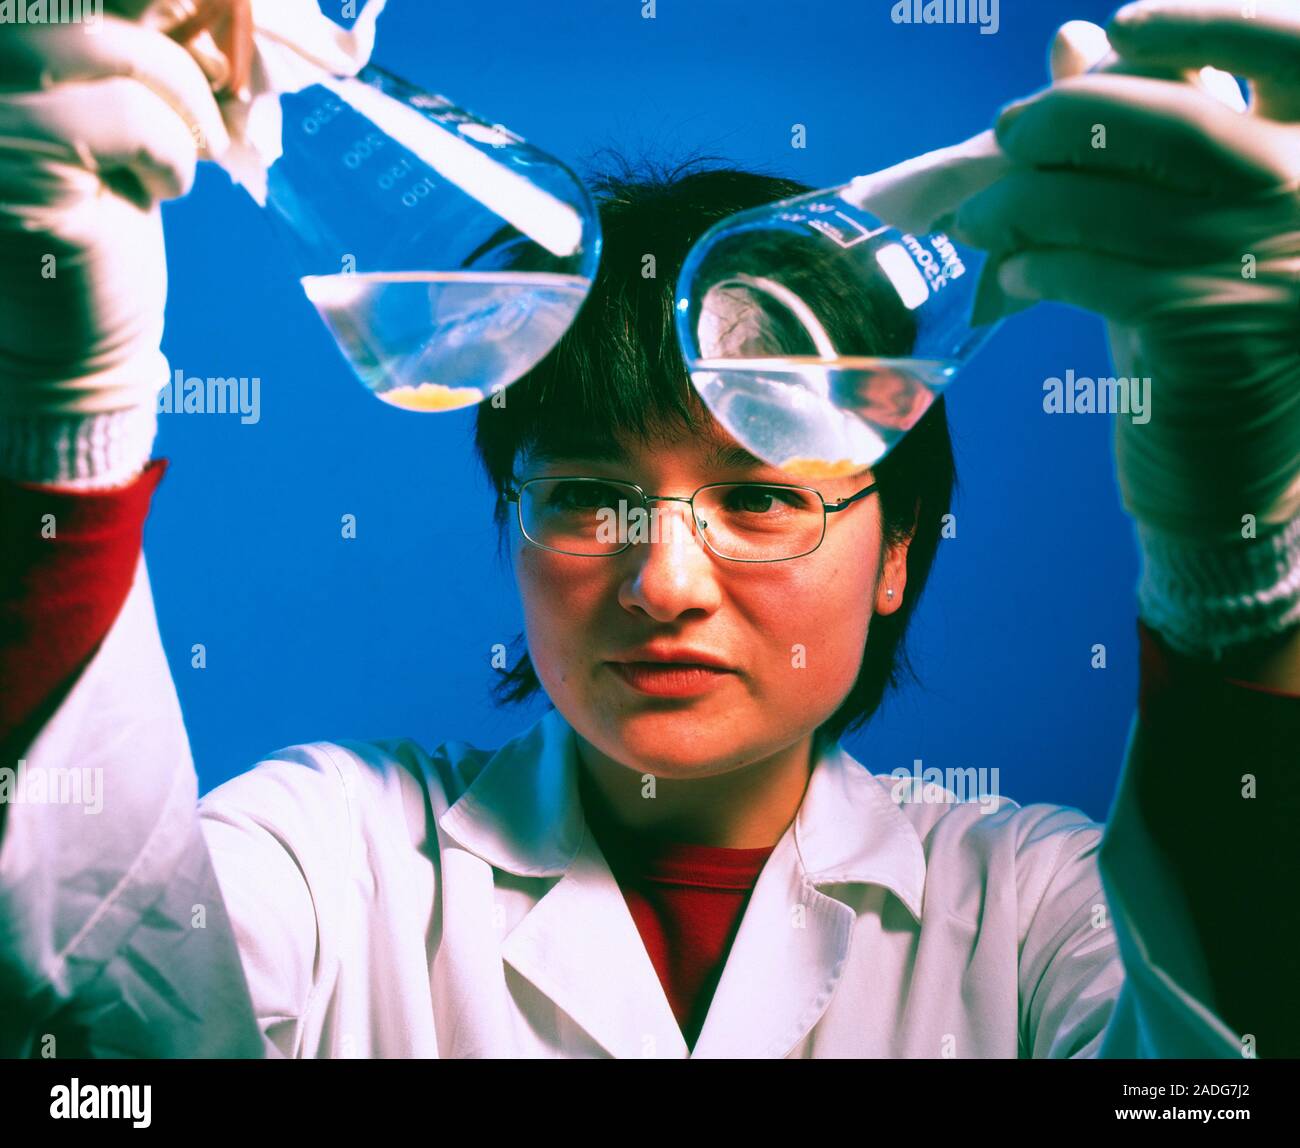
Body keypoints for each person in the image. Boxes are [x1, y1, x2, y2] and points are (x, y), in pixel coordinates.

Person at [1, 0, 1298, 1058]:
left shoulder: (1032, 915)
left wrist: (1239, 575)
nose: (664, 582)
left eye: (762, 496)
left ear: (899, 550)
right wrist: (58, 426)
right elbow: (89, 1047)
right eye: (584, 499)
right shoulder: (332, 855)